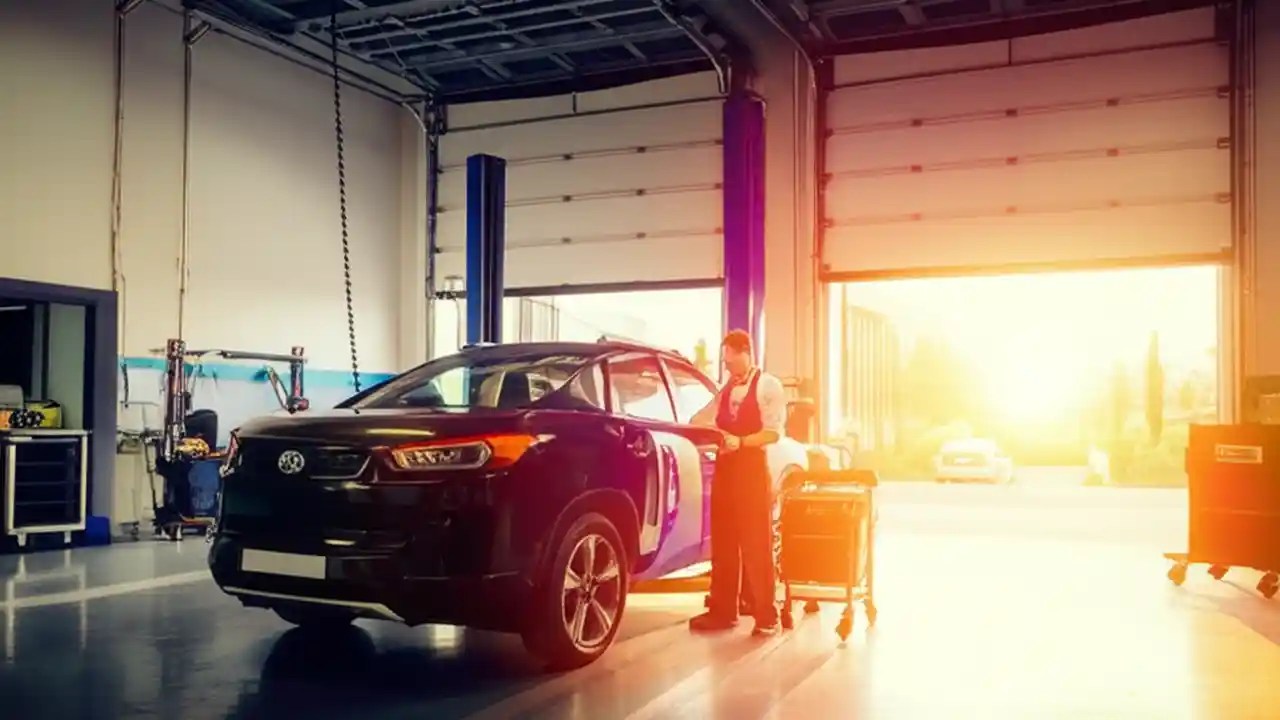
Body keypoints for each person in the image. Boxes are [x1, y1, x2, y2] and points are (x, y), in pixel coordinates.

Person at [688, 329, 785, 636]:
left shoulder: (768, 385)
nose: (726, 364)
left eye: (730, 358)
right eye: (724, 359)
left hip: (751, 469)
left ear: (745, 352)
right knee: (724, 541)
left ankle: (766, 616)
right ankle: (722, 611)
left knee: (756, 543)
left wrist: (740, 442)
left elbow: (773, 433)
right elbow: (704, 417)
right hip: (725, 471)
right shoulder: (726, 389)